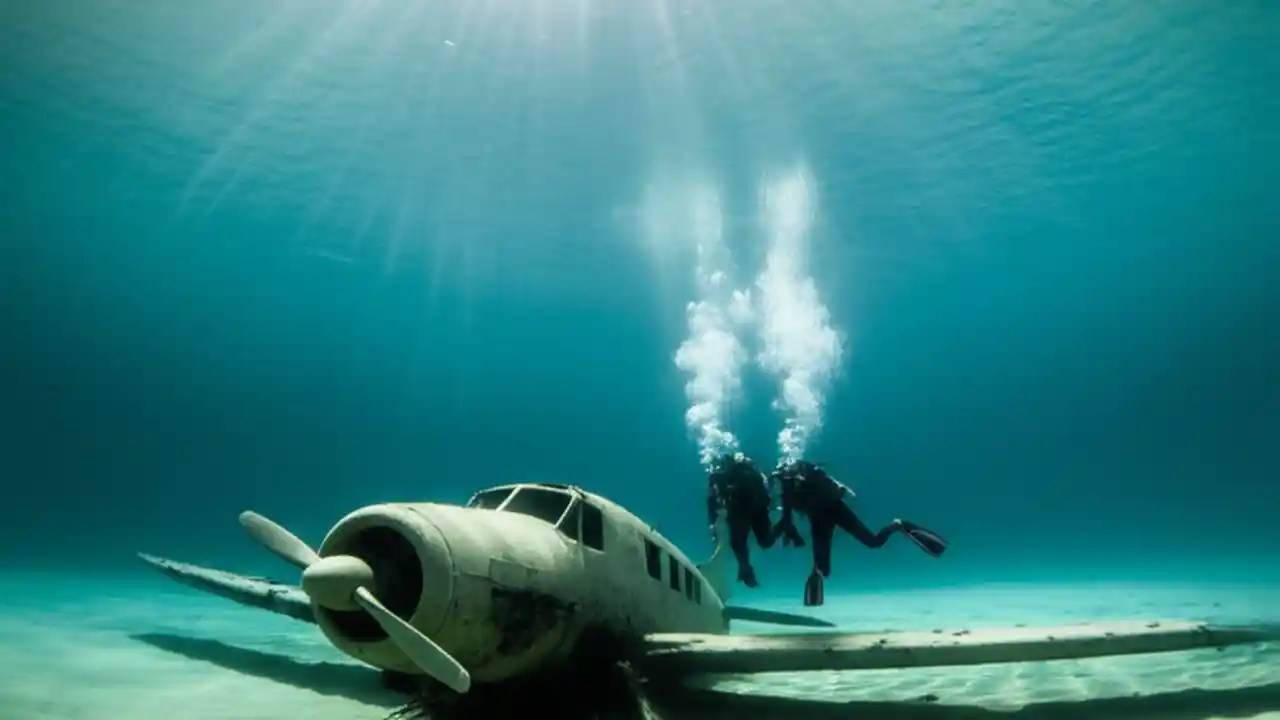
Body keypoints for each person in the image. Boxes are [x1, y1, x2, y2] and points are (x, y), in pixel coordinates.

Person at [771, 460, 947, 606]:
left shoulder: (788, 490)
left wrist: (788, 531)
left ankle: (897, 525)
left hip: (825, 516)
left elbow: (787, 517)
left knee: (823, 565)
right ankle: (897, 525)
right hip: (834, 511)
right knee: (872, 543)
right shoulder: (804, 480)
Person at [706, 452, 782, 588]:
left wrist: (712, 521)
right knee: (743, 542)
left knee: (755, 542)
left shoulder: (733, 474)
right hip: (746, 510)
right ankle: (746, 570)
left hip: (751, 509)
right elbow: (712, 500)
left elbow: (713, 500)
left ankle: (746, 569)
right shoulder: (723, 477)